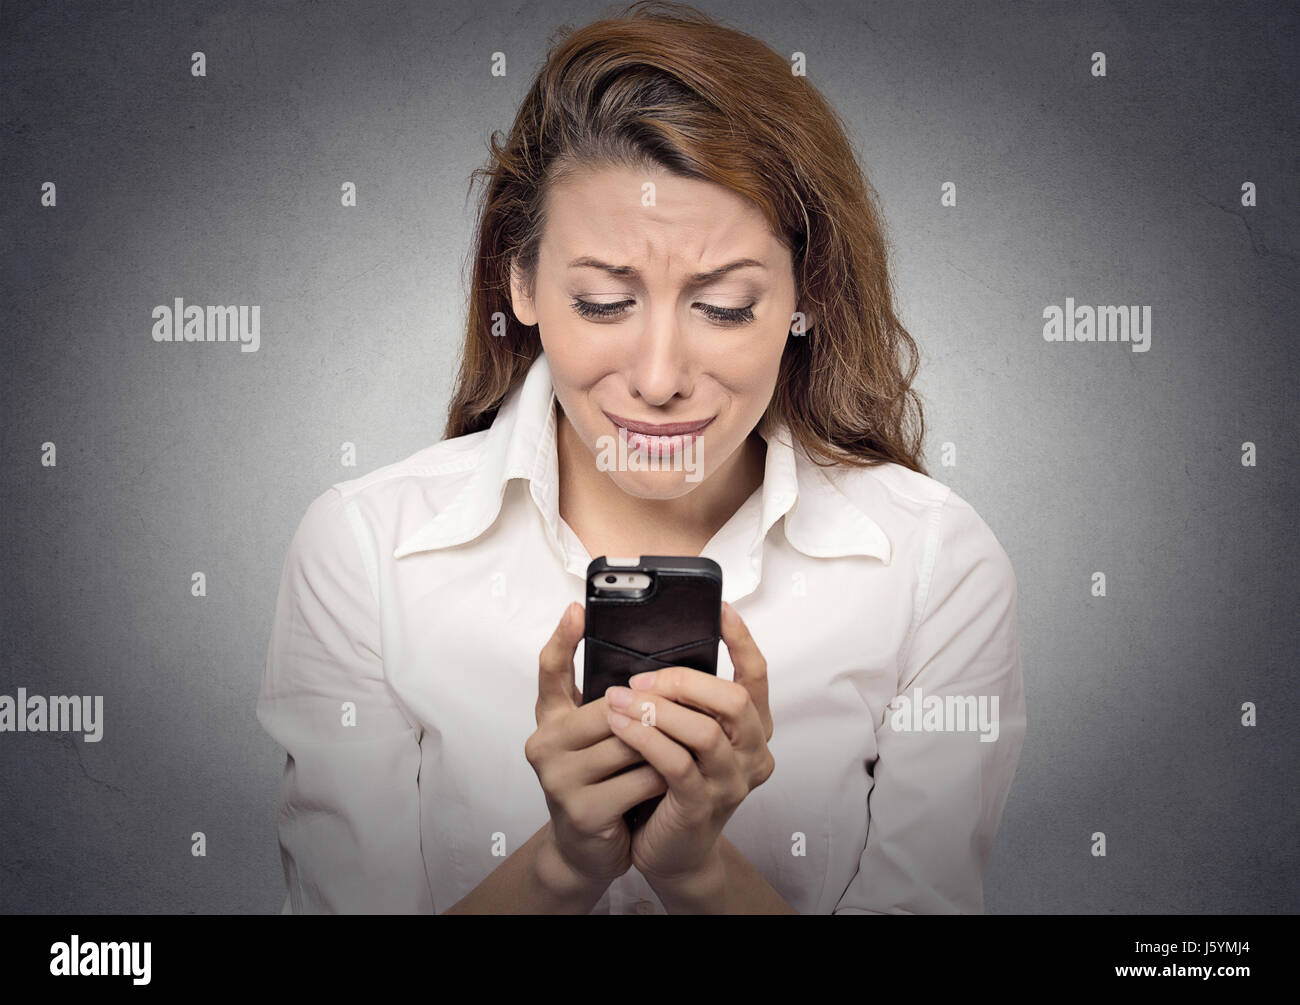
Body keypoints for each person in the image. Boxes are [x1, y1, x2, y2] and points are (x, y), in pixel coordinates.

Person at [257, 0, 1026, 914]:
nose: (659, 380)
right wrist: (563, 865)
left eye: (727, 307)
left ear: (804, 295)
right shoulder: (366, 551)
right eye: (603, 302)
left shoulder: (935, 565)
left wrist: (697, 868)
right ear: (521, 281)